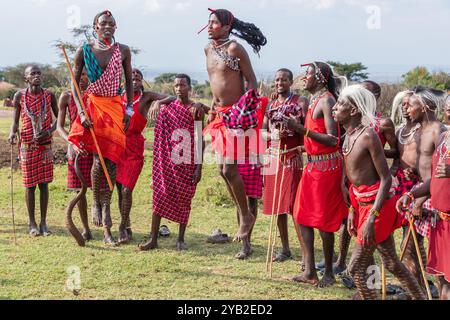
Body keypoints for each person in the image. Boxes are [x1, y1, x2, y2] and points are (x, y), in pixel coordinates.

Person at [333, 84, 425, 300]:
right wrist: (352, 209)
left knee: (355, 268)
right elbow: (356, 181)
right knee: (392, 262)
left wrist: (372, 217)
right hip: (363, 204)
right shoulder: (348, 136)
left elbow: (385, 179)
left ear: (354, 110)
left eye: (340, 105)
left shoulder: (368, 136)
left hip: (379, 207)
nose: (335, 108)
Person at [201, 8, 267, 259]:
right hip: (220, 115)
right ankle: (244, 215)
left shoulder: (235, 49)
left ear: (227, 27)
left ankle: (246, 217)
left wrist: (244, 110)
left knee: (229, 170)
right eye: (209, 22)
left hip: (238, 116)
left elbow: (251, 81)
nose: (210, 26)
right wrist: (212, 107)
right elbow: (215, 82)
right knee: (222, 170)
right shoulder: (208, 49)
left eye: (215, 23)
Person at [69, 10, 133, 245]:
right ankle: (98, 204)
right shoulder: (83, 51)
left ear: (116, 27)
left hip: (115, 107)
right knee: (98, 160)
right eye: (103, 23)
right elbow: (75, 85)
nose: (107, 26)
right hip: (94, 106)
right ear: (95, 27)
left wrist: (129, 110)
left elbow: (128, 81)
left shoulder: (123, 50)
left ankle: (104, 208)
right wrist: (82, 112)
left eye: (111, 24)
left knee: (112, 161)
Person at [283, 62, 347, 287]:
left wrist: (302, 130)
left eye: (308, 74)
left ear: (320, 78)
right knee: (301, 215)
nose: (303, 78)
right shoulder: (314, 101)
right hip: (313, 166)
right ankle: (310, 270)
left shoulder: (328, 100)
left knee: (323, 221)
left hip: (327, 169)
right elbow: (317, 136)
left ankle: (328, 272)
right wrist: (302, 145)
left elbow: (333, 139)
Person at [139, 74, 206, 251]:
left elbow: (200, 139)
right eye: (176, 86)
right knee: (159, 196)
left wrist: (199, 167)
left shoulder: (195, 109)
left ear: (189, 88)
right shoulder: (168, 107)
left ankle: (181, 239)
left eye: (182, 85)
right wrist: (159, 102)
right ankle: (153, 238)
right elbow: (153, 97)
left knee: (185, 199)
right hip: (165, 162)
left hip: (187, 161)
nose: (178, 89)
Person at [115, 68, 172, 244]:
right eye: (131, 77)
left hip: (134, 148)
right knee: (119, 189)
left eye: (138, 78)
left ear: (142, 81)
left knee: (127, 188)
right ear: (124, 80)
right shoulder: (118, 96)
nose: (134, 80)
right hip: (117, 146)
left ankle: (122, 227)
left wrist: (158, 102)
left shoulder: (146, 97)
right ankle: (127, 226)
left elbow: (173, 98)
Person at [402, 86, 447, 290]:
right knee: (410, 249)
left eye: (411, 105)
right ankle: (419, 291)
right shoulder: (419, 130)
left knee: (437, 255)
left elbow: (440, 173)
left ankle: (438, 290)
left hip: (434, 196)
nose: (407, 109)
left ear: (426, 106)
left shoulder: (439, 132)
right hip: (422, 190)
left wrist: (419, 199)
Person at [397, 130, 450, 300]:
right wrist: (412, 195)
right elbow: (435, 179)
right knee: (443, 280)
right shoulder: (444, 137)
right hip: (441, 221)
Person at [262, 68, 308, 262]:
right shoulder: (271, 104)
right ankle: (285, 249)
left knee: (294, 207)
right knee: (277, 206)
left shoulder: (300, 102)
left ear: (291, 82)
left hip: (292, 158)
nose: (279, 83)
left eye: (284, 80)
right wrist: (273, 135)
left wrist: (302, 146)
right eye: (277, 80)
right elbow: (262, 131)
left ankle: (307, 255)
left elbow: (308, 130)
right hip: (273, 158)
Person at [8, 65, 58, 237]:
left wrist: (49, 131)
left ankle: (44, 223)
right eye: (33, 74)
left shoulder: (49, 95)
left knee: (44, 184)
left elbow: (59, 120)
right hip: (27, 145)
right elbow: (15, 121)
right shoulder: (19, 96)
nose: (37, 76)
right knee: (29, 185)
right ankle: (32, 224)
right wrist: (12, 133)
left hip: (45, 145)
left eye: (39, 73)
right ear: (26, 79)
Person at [57, 69, 94, 241]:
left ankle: (105, 227)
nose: (82, 78)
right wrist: (71, 142)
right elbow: (59, 127)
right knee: (81, 190)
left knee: (99, 190)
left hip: (94, 148)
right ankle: (86, 228)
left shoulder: (96, 96)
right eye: (79, 74)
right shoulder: (66, 97)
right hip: (75, 149)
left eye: (86, 75)